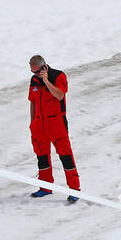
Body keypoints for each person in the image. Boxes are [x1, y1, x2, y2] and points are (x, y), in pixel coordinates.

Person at [27, 54, 81, 202]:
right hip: (39, 125)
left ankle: (75, 189)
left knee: (66, 157)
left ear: (44, 66)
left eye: (38, 71)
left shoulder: (58, 76)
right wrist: (32, 123)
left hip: (56, 124)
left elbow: (60, 95)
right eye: (33, 72)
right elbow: (32, 102)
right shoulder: (34, 80)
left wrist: (46, 81)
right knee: (42, 157)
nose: (35, 74)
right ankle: (45, 187)